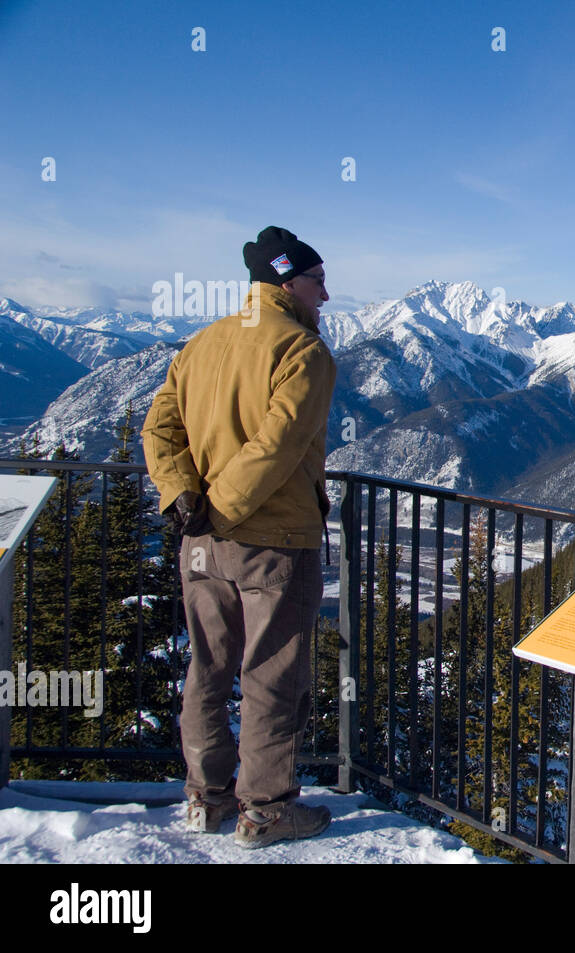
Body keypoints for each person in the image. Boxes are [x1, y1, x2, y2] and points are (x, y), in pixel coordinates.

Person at [142, 226, 338, 848]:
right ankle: (268, 810)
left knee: (207, 668)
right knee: (271, 677)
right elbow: (277, 446)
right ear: (287, 282)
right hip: (273, 541)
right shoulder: (303, 351)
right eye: (317, 280)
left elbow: (158, 432)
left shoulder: (200, 344)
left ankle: (206, 798)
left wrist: (185, 499)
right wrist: (223, 509)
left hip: (199, 540)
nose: (326, 295)